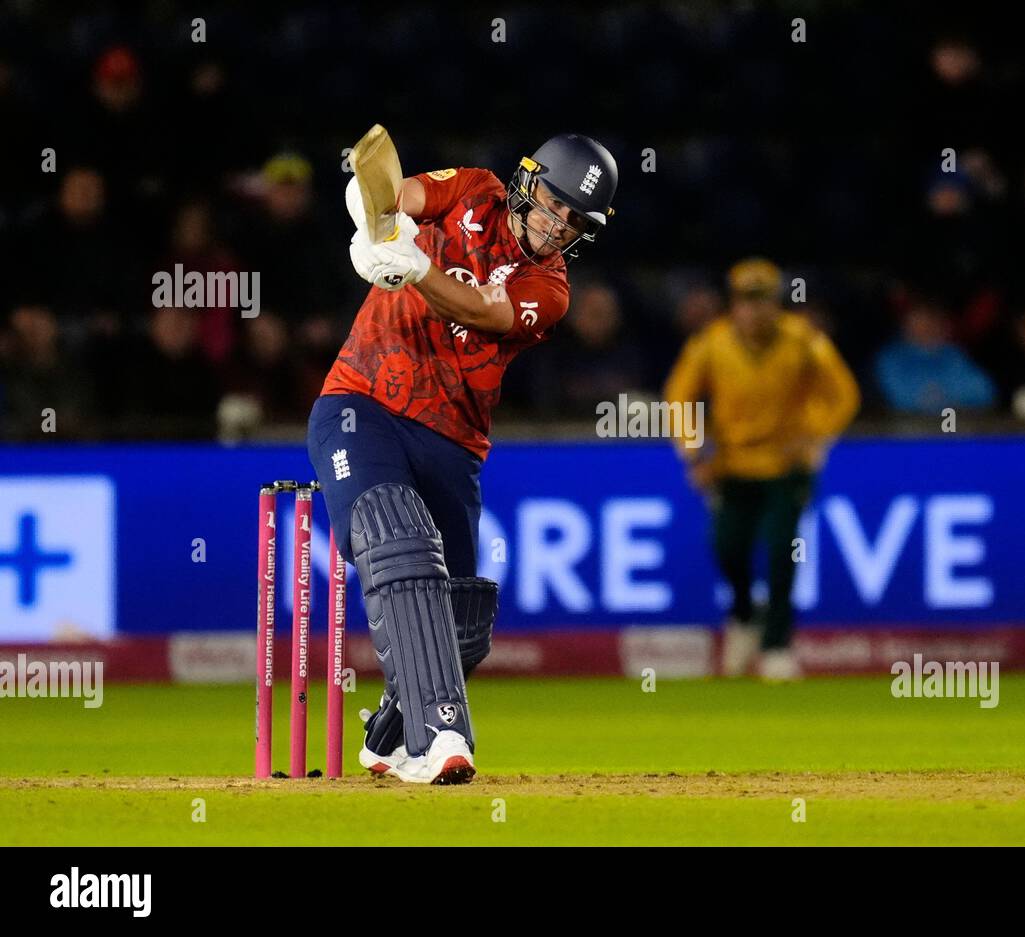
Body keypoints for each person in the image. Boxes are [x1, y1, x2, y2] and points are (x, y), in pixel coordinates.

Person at [307, 133, 618, 783]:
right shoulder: (474, 186)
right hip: (361, 401)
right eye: (552, 205)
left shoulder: (550, 289)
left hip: (453, 440)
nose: (555, 226)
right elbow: (397, 196)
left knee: (464, 629)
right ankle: (440, 736)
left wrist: (415, 268)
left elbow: (481, 308)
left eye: (573, 222)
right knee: (397, 533)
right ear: (526, 185)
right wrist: (375, 224)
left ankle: (388, 736)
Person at [664, 258, 859, 681]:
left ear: (777, 302)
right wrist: (694, 452)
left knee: (782, 552)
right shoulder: (710, 344)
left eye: (763, 301)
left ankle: (777, 646)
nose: (755, 311)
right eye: (746, 302)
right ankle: (743, 616)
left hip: (786, 467)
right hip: (731, 465)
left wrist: (815, 436)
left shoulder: (803, 340)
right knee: (728, 548)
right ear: (733, 305)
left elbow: (843, 394)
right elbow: (680, 397)